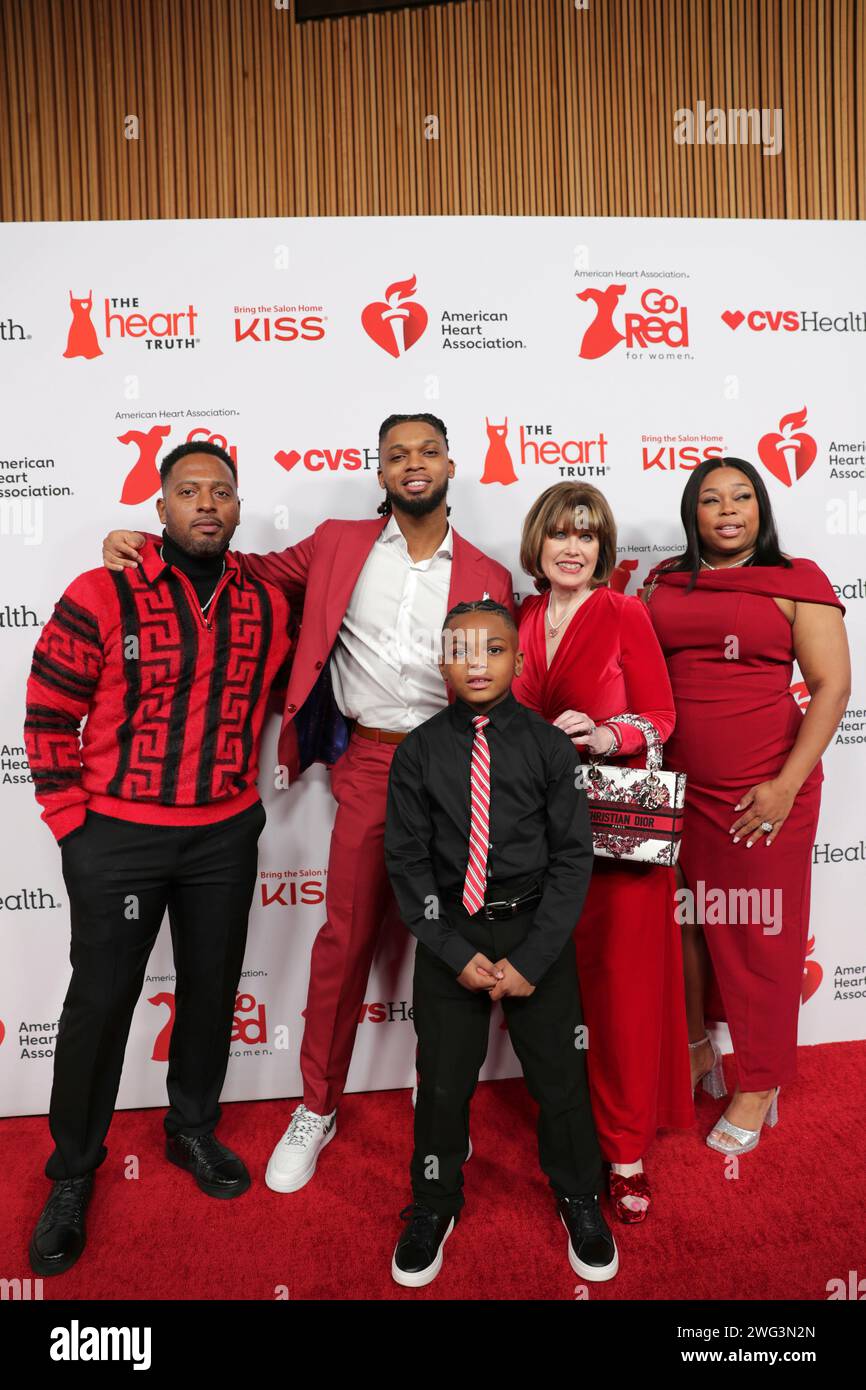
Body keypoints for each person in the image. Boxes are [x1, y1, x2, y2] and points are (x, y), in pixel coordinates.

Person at [100, 413, 515, 1193]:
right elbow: (239, 567)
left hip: (457, 771)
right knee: (344, 943)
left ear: (452, 464)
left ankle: (443, 1097)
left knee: (451, 941)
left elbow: (500, 681)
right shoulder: (338, 543)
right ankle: (317, 1106)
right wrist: (145, 544)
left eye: (427, 451)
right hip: (368, 763)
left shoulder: (489, 573)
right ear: (381, 471)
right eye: (398, 455)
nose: (414, 464)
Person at [23, 441, 292, 1276]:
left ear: (240, 509)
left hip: (224, 834)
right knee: (100, 1002)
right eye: (188, 492)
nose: (206, 504)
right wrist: (75, 827)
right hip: (118, 838)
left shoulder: (271, 600)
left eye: (221, 492)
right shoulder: (102, 589)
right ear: (160, 508)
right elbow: (47, 713)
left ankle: (191, 1130)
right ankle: (72, 1173)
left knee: (212, 989)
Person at [384, 600, 617, 1287]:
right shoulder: (418, 751)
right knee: (443, 1084)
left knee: (559, 1078)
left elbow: (574, 858)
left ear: (518, 661)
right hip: (452, 931)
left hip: (532, 929)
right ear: (442, 661)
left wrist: (534, 958)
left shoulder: (547, 747)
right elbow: (407, 862)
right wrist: (452, 952)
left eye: (493, 650)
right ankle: (433, 1201)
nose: (476, 663)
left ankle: (578, 1192)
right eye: (461, 650)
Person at [645, 458, 850, 1155]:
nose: (727, 509)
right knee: (684, 926)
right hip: (674, 786)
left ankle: (761, 1081)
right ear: (691, 511)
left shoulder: (799, 580)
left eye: (742, 497)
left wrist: (786, 785)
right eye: (710, 498)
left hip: (760, 789)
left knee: (760, 934)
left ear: (761, 508)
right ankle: (700, 1048)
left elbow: (830, 687)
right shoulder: (666, 581)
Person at [511, 483, 693, 1223]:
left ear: (603, 549)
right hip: (534, 838)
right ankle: (567, 1133)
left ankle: (624, 1155)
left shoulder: (623, 612)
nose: (573, 548)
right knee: (551, 995)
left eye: (587, 536)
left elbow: (661, 716)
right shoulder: (517, 617)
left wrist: (605, 735)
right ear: (539, 544)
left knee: (621, 999)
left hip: (617, 840)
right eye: (559, 534)